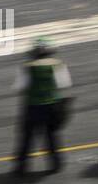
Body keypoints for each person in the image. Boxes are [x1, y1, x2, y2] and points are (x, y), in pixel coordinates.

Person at [13, 37, 72, 176]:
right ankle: (56, 163)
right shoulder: (58, 64)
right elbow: (64, 84)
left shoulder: (28, 66)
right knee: (51, 136)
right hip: (52, 106)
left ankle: (21, 166)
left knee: (27, 137)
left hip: (33, 107)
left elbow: (19, 87)